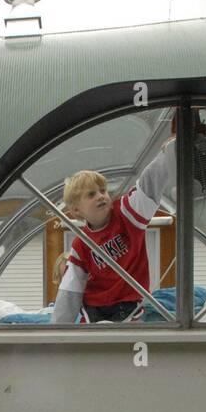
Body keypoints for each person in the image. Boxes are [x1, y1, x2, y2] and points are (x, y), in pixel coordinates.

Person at [51, 139, 176, 324]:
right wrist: (57, 332)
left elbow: (148, 185)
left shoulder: (126, 213)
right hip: (94, 306)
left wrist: (167, 155)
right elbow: (71, 287)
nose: (101, 196)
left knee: (125, 337)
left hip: (129, 302)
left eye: (103, 190)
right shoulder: (81, 244)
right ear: (76, 211)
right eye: (91, 194)